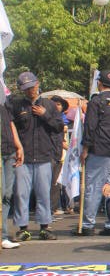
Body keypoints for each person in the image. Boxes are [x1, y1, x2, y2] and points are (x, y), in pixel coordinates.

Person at [9, 72, 63, 241]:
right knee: (21, 194)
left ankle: (44, 227)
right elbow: (11, 129)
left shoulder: (49, 105)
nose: (30, 91)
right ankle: (23, 228)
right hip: (23, 158)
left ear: (38, 84)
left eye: (32, 87)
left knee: (43, 194)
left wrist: (45, 115)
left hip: (44, 156)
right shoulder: (17, 105)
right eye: (26, 88)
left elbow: (59, 127)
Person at [77, 70, 110, 236]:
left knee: (94, 187)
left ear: (99, 83)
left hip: (100, 151)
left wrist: (85, 149)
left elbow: (90, 127)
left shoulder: (96, 101)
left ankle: (88, 225)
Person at [0, 102, 22, 249]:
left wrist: (18, 146)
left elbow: (11, 123)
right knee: (1, 193)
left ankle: (3, 236)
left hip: (9, 152)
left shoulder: (3, 106)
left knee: (7, 195)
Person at [48, 95, 69, 216]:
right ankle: (48, 209)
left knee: (55, 183)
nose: (57, 106)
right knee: (49, 182)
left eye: (59, 104)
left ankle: (53, 208)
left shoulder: (63, 120)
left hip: (59, 155)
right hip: (48, 154)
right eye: (54, 104)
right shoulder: (47, 119)